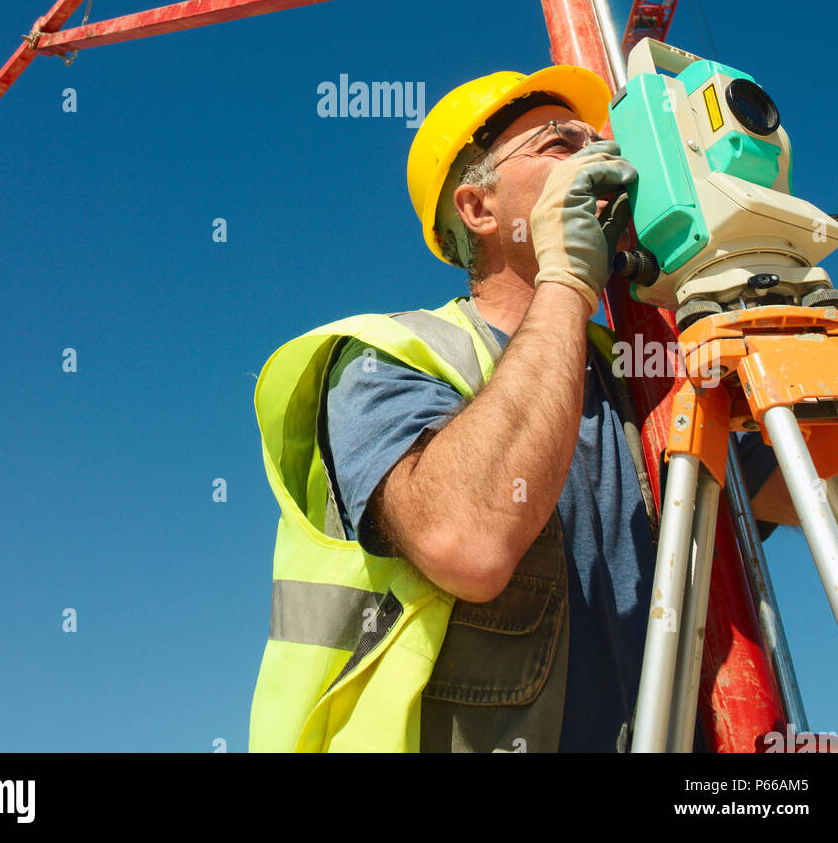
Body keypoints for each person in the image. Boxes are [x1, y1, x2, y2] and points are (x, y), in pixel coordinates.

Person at [248, 67, 795, 753]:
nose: (603, 152)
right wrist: (567, 280)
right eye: (559, 143)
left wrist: (780, 309)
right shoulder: (384, 357)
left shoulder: (650, 378)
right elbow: (467, 543)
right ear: (480, 209)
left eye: (599, 137)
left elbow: (828, 493)